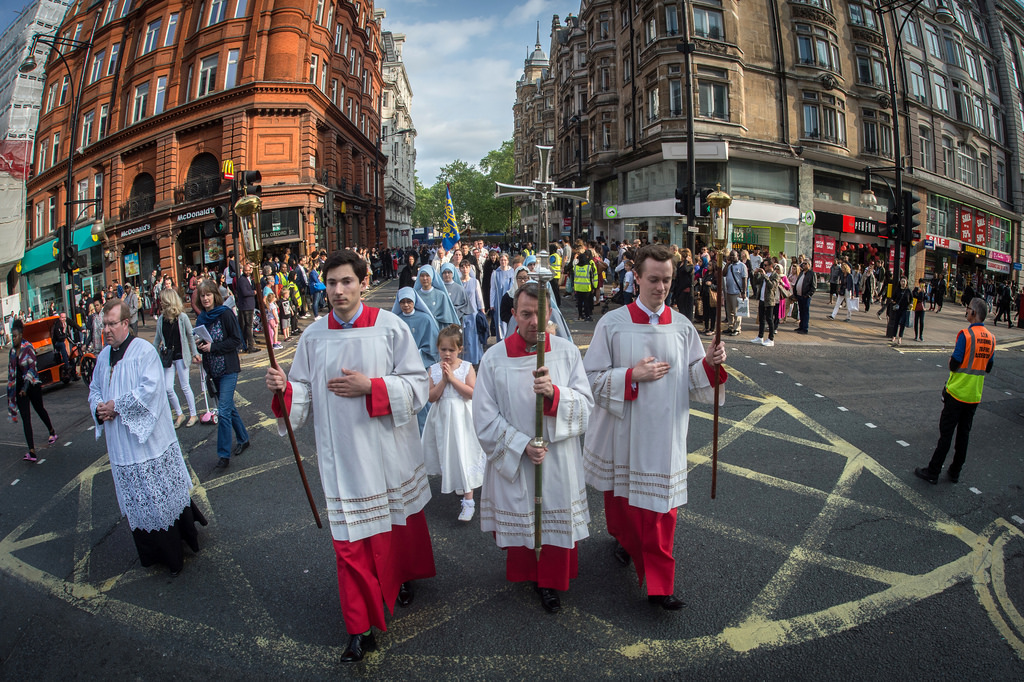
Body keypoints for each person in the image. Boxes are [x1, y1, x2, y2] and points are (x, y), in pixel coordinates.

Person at [265, 249, 435, 663]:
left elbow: (418, 387)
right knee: (349, 546)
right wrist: (284, 388)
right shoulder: (313, 336)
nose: (338, 291)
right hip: (341, 457)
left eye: (346, 282)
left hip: (386, 453)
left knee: (395, 529)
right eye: (331, 283)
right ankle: (359, 629)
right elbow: (302, 395)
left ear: (363, 282)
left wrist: (373, 387)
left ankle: (399, 581)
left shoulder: (390, 328)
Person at [583, 245, 727, 610]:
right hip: (623, 433)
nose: (661, 287)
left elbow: (695, 381)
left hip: (664, 434)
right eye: (653, 279)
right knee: (623, 511)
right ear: (636, 277)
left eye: (666, 279)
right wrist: (632, 375)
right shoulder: (612, 325)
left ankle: (660, 586)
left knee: (661, 513)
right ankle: (625, 542)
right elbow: (590, 381)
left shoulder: (681, 327)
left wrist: (710, 363)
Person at [473, 282, 594, 614]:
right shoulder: (494, 358)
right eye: (525, 315)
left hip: (557, 460)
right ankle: (529, 573)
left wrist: (556, 397)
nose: (533, 323)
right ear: (513, 315)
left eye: (539, 315)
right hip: (521, 459)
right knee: (526, 521)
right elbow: (483, 417)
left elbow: (587, 408)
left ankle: (551, 583)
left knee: (552, 519)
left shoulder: (567, 353)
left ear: (550, 314)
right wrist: (522, 445)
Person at [88, 300, 207, 574]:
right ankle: (151, 553)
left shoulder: (143, 352)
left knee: (160, 498)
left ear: (126, 324)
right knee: (139, 502)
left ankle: (174, 553)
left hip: (147, 443)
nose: (106, 329)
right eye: (103, 324)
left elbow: (150, 390)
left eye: (111, 324)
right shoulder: (103, 357)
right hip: (121, 446)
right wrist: (98, 408)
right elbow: (94, 388)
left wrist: (116, 405)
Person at [914, 298, 995, 485]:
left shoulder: (966, 335)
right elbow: (988, 367)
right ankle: (955, 472)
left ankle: (933, 471)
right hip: (974, 395)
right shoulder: (991, 338)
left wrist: (953, 363)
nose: (966, 312)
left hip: (957, 392)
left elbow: (954, 363)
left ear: (974, 313)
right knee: (963, 435)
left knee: (946, 434)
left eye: (967, 309)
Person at [422, 324, 485, 522]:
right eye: (443, 349)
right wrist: (443, 380)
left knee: (464, 452)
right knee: (450, 452)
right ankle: (459, 483)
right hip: (443, 418)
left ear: (460, 349)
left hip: (462, 418)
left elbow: (473, 393)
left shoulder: (466, 367)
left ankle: (468, 502)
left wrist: (452, 379)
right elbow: (431, 397)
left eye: (451, 350)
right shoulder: (433, 369)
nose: (447, 354)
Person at [195, 279, 250, 469]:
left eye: (208, 294)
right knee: (230, 408)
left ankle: (223, 455)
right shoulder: (202, 319)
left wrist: (213, 347)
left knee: (224, 411)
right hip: (214, 372)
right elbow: (204, 348)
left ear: (215, 296)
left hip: (228, 369)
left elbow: (236, 341)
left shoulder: (225, 314)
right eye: (202, 296)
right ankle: (243, 438)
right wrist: (201, 348)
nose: (205, 299)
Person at [7, 319, 58, 462]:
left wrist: (25, 387)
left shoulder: (27, 347)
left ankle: (52, 432)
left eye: (15, 336)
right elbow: (11, 374)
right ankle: (32, 451)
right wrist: (12, 395)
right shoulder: (12, 352)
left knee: (39, 409)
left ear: (21, 335)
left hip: (32, 385)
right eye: (12, 336)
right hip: (19, 389)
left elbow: (32, 369)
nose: (13, 338)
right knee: (25, 418)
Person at [153, 289, 200, 429]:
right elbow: (157, 340)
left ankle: (193, 414)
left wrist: (195, 353)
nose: (160, 302)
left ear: (168, 301)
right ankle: (180, 414)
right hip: (168, 358)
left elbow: (191, 336)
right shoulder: (161, 319)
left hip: (181, 355)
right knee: (167, 388)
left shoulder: (182, 317)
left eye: (162, 300)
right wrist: (149, 355)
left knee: (185, 386)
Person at [458, 260, 486, 363]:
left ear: (469, 268)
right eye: (462, 267)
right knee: (462, 337)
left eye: (466, 267)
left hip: (472, 313)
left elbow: (479, 298)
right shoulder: (458, 282)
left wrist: (482, 311)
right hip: (461, 314)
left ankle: (473, 359)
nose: (465, 269)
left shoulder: (474, 282)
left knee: (472, 337)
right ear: (460, 269)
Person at [750, 259, 779, 346]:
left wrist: (765, 276)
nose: (764, 267)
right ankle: (760, 336)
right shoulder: (765, 274)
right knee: (761, 319)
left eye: (766, 265)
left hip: (769, 300)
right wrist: (755, 274)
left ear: (771, 266)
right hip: (762, 299)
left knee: (769, 319)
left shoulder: (775, 275)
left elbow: (772, 286)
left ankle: (771, 338)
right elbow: (756, 282)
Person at [723, 250, 747, 336]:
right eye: (731, 256)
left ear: (738, 256)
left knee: (737, 311)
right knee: (729, 311)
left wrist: (744, 292)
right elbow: (723, 273)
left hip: (737, 292)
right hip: (729, 291)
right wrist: (727, 263)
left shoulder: (742, 266)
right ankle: (730, 326)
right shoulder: (730, 266)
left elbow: (744, 279)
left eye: (734, 256)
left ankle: (737, 328)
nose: (732, 257)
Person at [236, 261, 258, 353]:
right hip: (245, 306)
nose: (248, 272)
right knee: (247, 326)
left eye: (249, 270)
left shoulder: (249, 279)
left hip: (248, 305)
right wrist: (253, 292)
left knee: (247, 326)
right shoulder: (242, 280)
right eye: (247, 270)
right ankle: (250, 346)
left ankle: (246, 345)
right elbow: (245, 292)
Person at [573, 249, 598, 321]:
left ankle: (580, 315)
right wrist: (594, 287)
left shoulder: (576, 267)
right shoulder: (588, 267)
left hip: (578, 287)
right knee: (586, 302)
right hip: (586, 287)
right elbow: (592, 278)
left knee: (579, 302)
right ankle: (587, 316)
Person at [792, 261, 814, 334]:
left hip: (805, 296)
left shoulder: (811, 274)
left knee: (805, 312)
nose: (803, 265)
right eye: (803, 264)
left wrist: (808, 295)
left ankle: (805, 328)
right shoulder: (802, 273)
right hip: (799, 295)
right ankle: (801, 326)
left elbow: (813, 287)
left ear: (809, 265)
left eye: (805, 264)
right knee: (801, 312)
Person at [49, 311, 74, 377]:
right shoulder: (57, 325)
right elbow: (59, 337)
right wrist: (64, 332)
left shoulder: (65, 323)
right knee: (62, 345)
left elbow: (74, 324)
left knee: (72, 350)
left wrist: (81, 329)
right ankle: (67, 365)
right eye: (62, 317)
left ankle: (72, 370)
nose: (64, 319)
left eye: (64, 317)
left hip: (62, 341)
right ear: (60, 318)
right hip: (56, 343)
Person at [892, 278, 912, 345]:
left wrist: (911, 304)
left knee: (902, 323)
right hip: (898, 308)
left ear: (906, 282)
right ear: (900, 282)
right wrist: (894, 303)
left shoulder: (908, 290)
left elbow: (911, 299)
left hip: (905, 309)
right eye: (901, 281)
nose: (903, 283)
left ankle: (900, 337)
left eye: (904, 281)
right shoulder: (897, 290)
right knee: (896, 323)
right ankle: (894, 336)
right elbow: (893, 298)